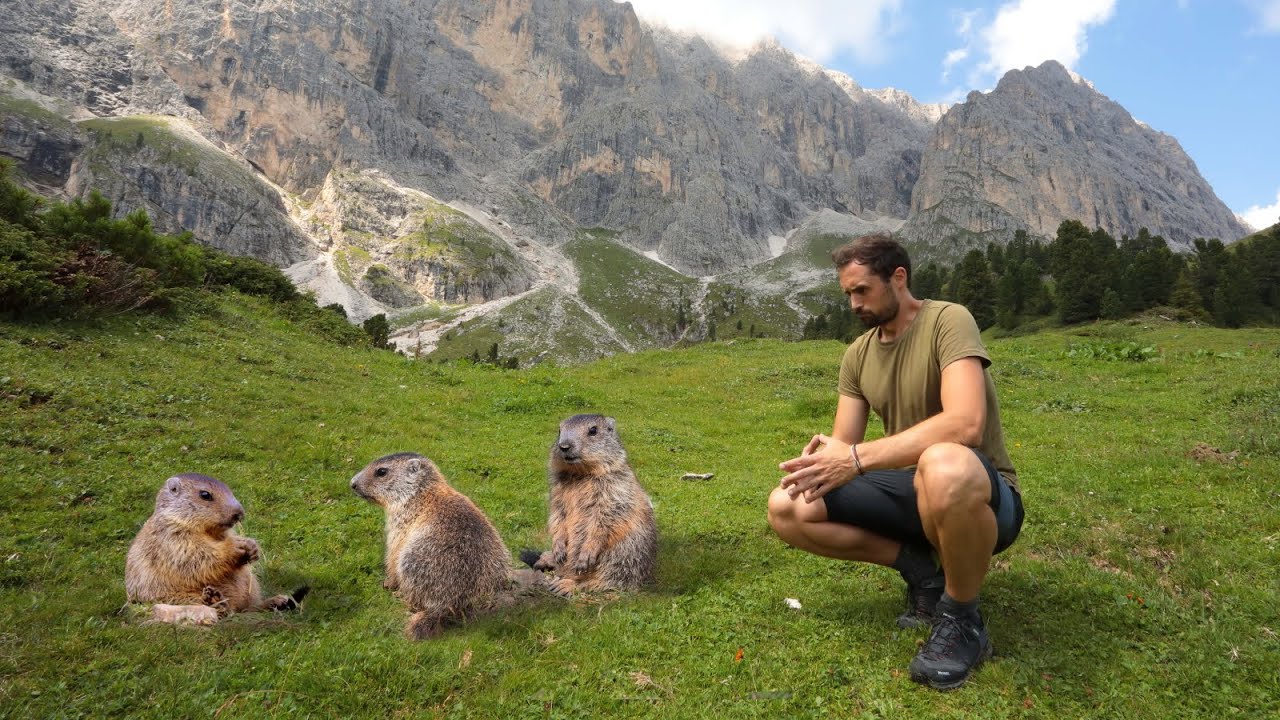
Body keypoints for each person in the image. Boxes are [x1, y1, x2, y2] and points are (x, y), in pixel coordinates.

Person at [768, 232, 1024, 690]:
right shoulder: (858, 355)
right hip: (908, 494)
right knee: (789, 506)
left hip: (977, 494)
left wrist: (855, 456)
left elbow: (966, 423)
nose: (853, 305)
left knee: (944, 462)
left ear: (898, 278)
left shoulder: (949, 320)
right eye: (847, 294)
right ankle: (922, 573)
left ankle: (963, 618)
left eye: (862, 290)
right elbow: (845, 448)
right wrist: (824, 458)